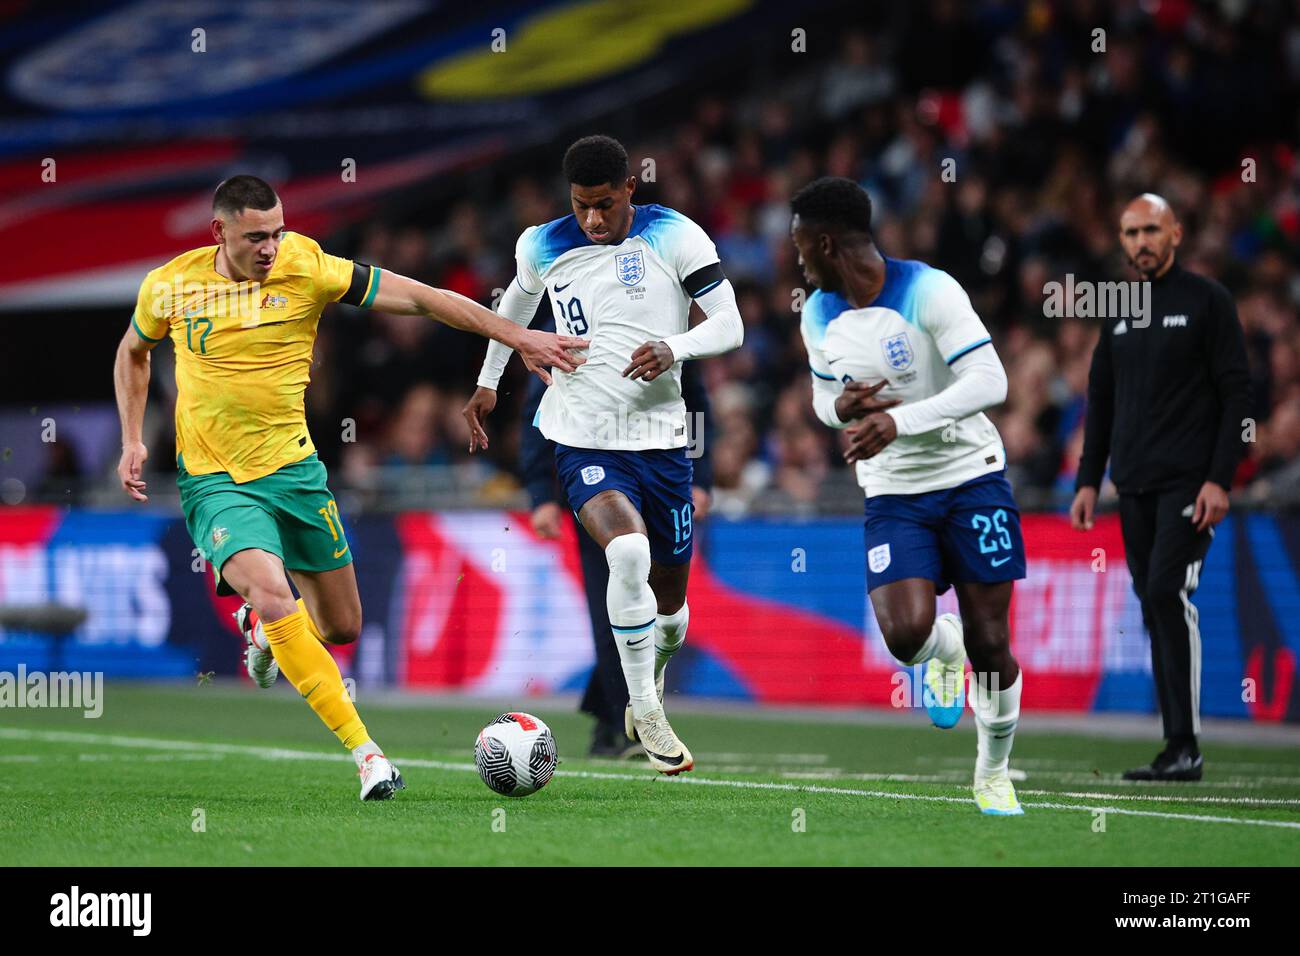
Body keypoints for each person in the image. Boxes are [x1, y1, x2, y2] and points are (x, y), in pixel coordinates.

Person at [113, 174, 585, 800]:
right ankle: (369, 756)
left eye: (277, 231)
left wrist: (515, 334)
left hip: (298, 474)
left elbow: (420, 298)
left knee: (340, 627)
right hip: (218, 481)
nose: (271, 247)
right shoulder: (170, 285)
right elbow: (133, 353)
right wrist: (133, 438)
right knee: (277, 595)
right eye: (256, 236)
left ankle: (262, 630)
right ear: (218, 232)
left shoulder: (308, 264)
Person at [463, 135, 743, 774]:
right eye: (582, 205)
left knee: (670, 610)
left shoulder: (676, 235)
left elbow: (731, 326)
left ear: (629, 192)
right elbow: (513, 306)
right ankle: (645, 710)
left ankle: (653, 672)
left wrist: (675, 347)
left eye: (605, 205)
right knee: (627, 552)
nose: (592, 219)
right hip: (583, 437)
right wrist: (487, 381)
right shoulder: (541, 243)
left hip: (663, 445)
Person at [791, 176, 1026, 815]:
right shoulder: (817, 313)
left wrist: (901, 420)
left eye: (801, 247)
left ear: (826, 242)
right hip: (895, 490)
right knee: (905, 635)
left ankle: (993, 772)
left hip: (971, 475)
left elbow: (991, 381)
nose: (798, 261)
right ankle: (939, 650)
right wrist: (840, 408)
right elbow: (821, 399)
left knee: (992, 639)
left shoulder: (930, 289)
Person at [1070, 193, 1251, 782]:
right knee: (1154, 601)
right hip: (1135, 487)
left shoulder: (1208, 301)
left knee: (1167, 594)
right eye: (1130, 233)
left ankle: (1184, 745)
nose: (1140, 243)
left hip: (1189, 487)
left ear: (1176, 232)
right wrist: (1089, 481)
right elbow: (1101, 398)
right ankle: (1176, 745)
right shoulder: (1118, 307)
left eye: (1151, 230)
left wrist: (1220, 480)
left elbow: (1236, 395)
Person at [512, 310, 714, 757]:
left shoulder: (663, 316)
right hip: (593, 476)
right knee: (619, 580)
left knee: (663, 610)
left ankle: (613, 715)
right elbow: (537, 410)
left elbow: (695, 399)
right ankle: (629, 718)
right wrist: (542, 493)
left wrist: (702, 475)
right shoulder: (564, 321)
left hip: (662, 466)